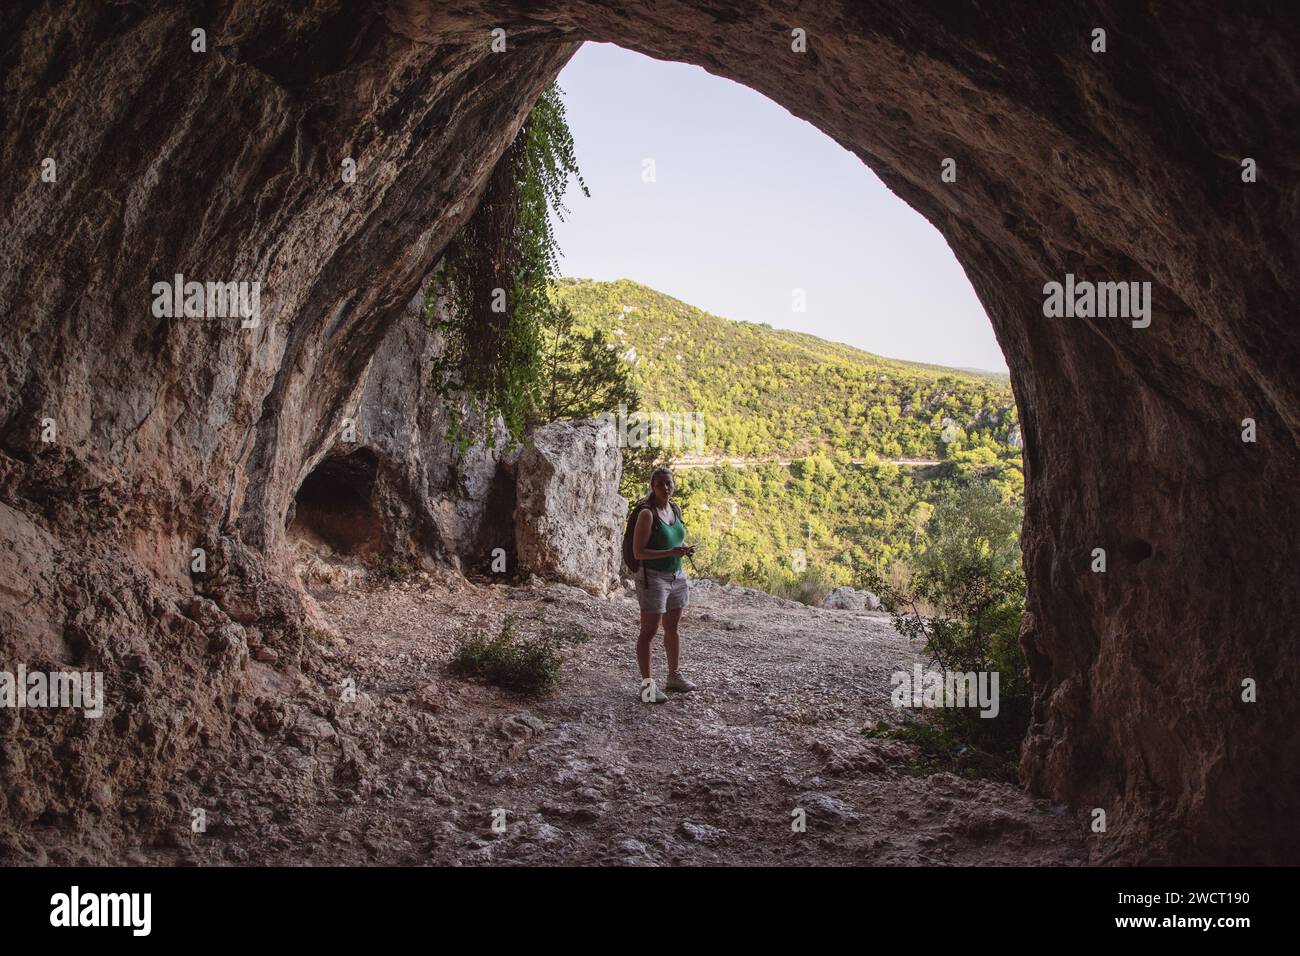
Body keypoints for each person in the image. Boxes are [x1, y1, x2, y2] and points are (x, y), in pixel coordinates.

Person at [631, 466, 697, 703]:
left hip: (676, 575)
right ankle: (647, 687)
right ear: (653, 487)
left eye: (669, 483)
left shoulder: (675, 509)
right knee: (648, 632)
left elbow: (675, 537)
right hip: (653, 578)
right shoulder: (647, 515)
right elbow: (638, 552)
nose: (666, 488)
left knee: (672, 628)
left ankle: (673, 676)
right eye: (661, 484)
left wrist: (682, 549)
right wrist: (671, 551)